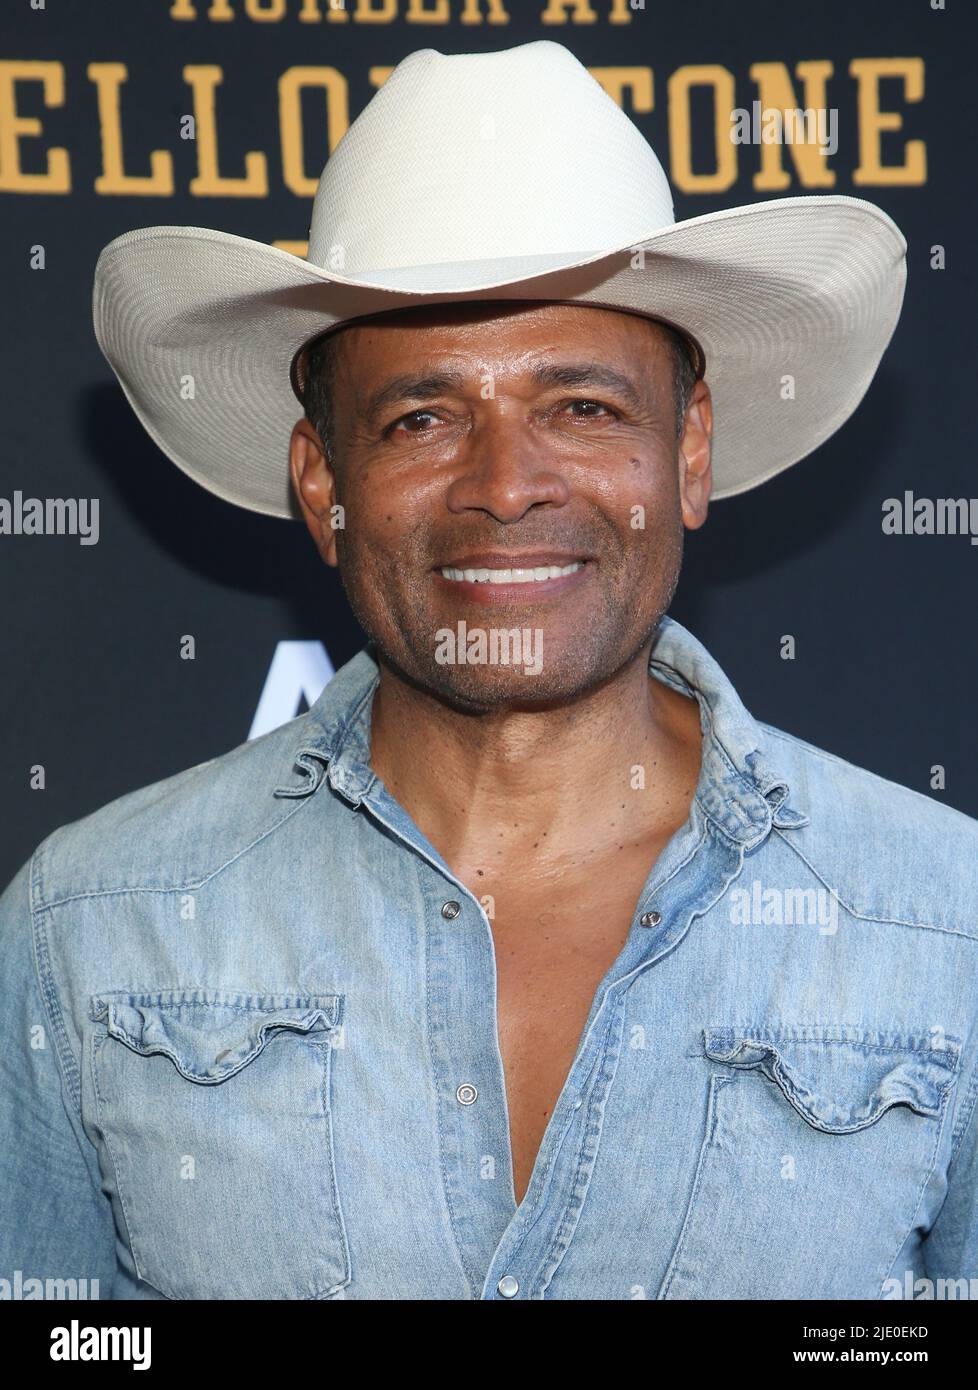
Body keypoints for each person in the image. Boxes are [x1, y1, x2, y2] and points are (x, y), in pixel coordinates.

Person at [1, 40, 975, 1302]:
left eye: (583, 407)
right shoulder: (92, 928)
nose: (508, 483)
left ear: (689, 454)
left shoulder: (944, 927)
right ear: (323, 486)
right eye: (423, 417)